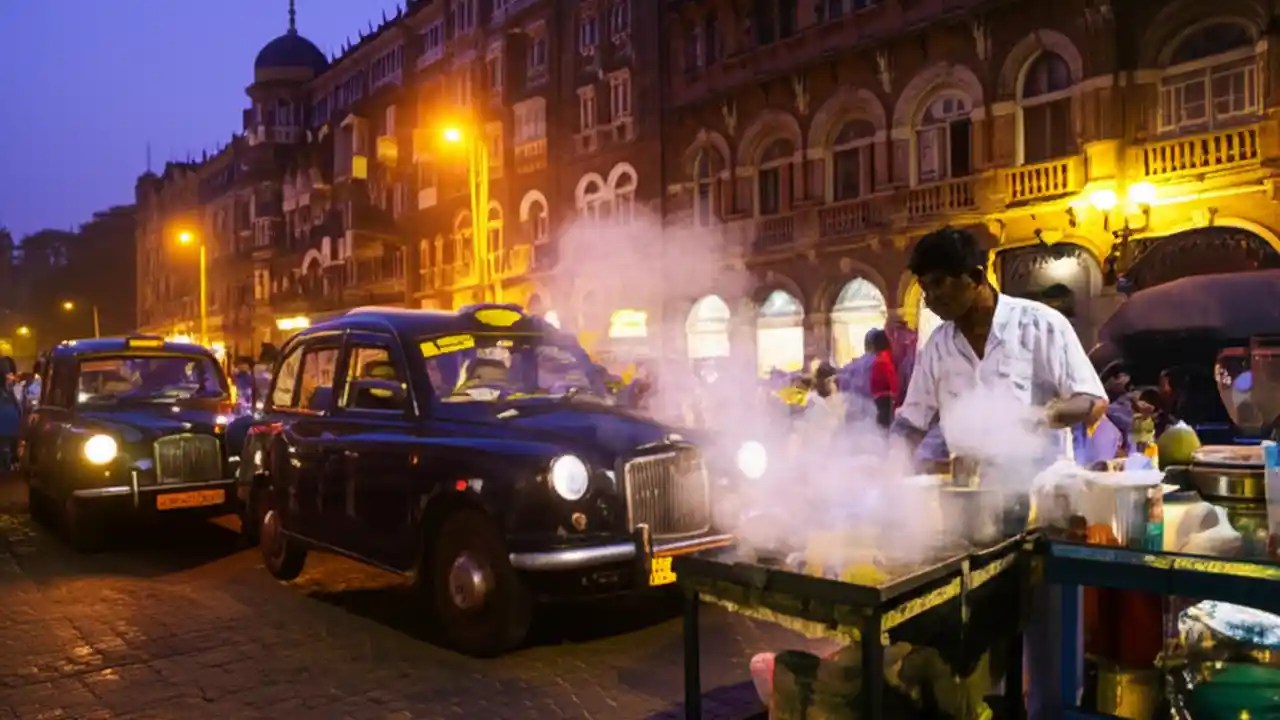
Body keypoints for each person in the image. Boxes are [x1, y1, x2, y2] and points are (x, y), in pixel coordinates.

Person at [889, 226, 1108, 718]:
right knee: (970, 631)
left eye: (940, 284)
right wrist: (877, 461)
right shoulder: (940, 346)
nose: (932, 298)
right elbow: (911, 420)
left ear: (975, 276)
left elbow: (1091, 400)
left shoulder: (1040, 325)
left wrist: (1045, 415)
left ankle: (1050, 709)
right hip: (970, 507)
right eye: (926, 289)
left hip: (1041, 502)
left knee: (1046, 635)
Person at [867, 329, 899, 429]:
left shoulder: (880, 359)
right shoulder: (885, 358)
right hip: (886, 396)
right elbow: (891, 377)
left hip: (880, 396)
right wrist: (896, 394)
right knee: (886, 423)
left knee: (883, 423)